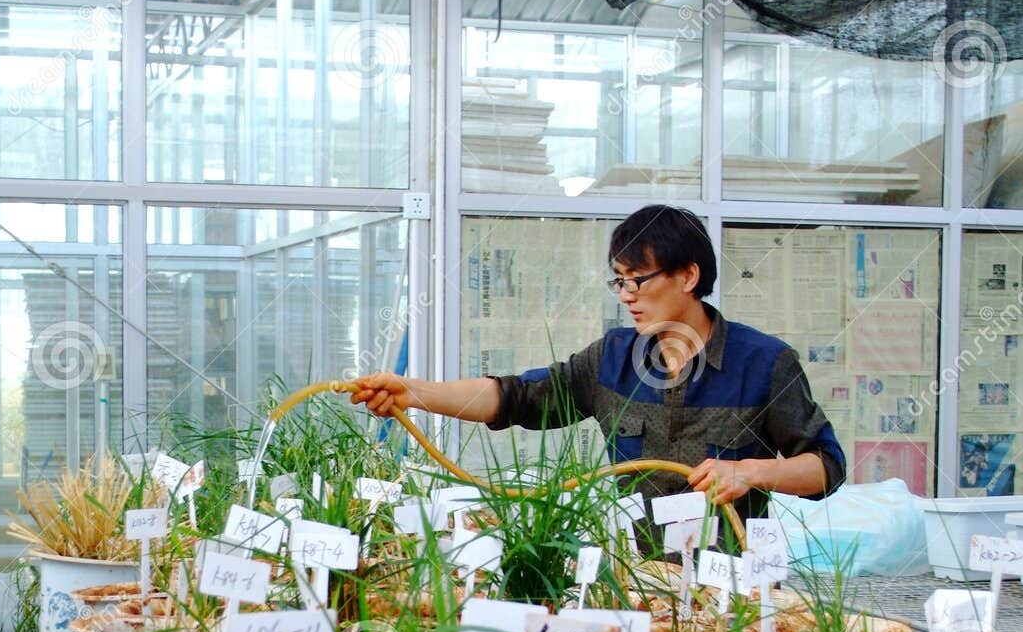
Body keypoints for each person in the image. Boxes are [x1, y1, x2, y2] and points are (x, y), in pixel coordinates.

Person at [350, 205, 845, 525]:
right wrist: (412, 393)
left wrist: (750, 472)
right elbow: (516, 397)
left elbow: (826, 467)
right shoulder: (612, 359)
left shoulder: (763, 363)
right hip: (634, 582)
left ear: (689, 276)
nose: (627, 296)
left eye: (639, 280)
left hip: (730, 584)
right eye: (619, 282)